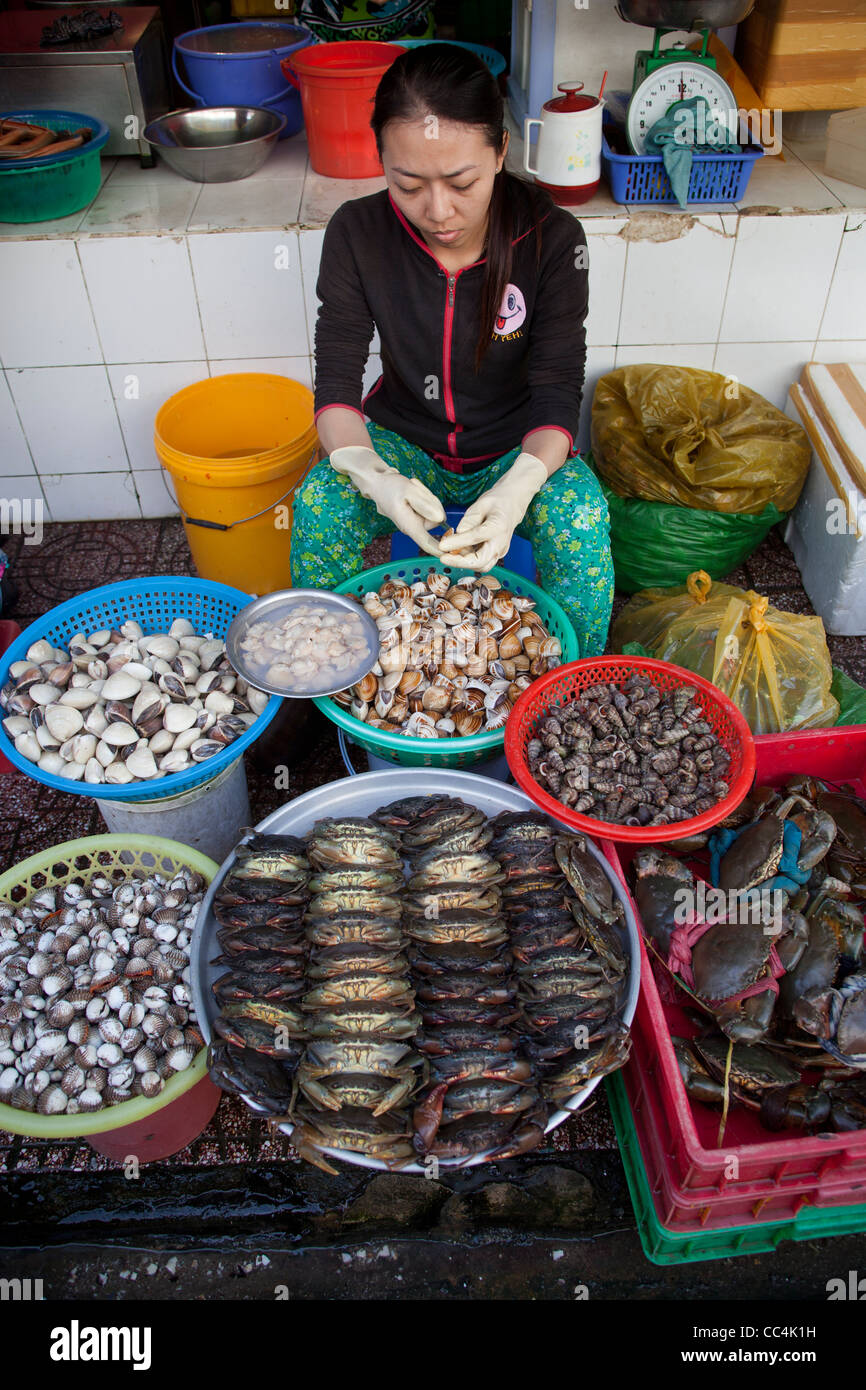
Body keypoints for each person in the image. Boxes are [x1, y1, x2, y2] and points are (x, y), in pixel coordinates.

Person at [290, 44, 614, 656]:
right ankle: (324, 673)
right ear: (382, 161)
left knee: (581, 521)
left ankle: (574, 686)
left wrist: (522, 482)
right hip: (402, 441)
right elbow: (335, 379)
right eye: (407, 184)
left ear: (499, 153)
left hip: (513, 448)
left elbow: (556, 387)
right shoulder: (358, 234)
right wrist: (370, 470)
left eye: (461, 182)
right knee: (319, 506)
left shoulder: (553, 240)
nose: (439, 212)